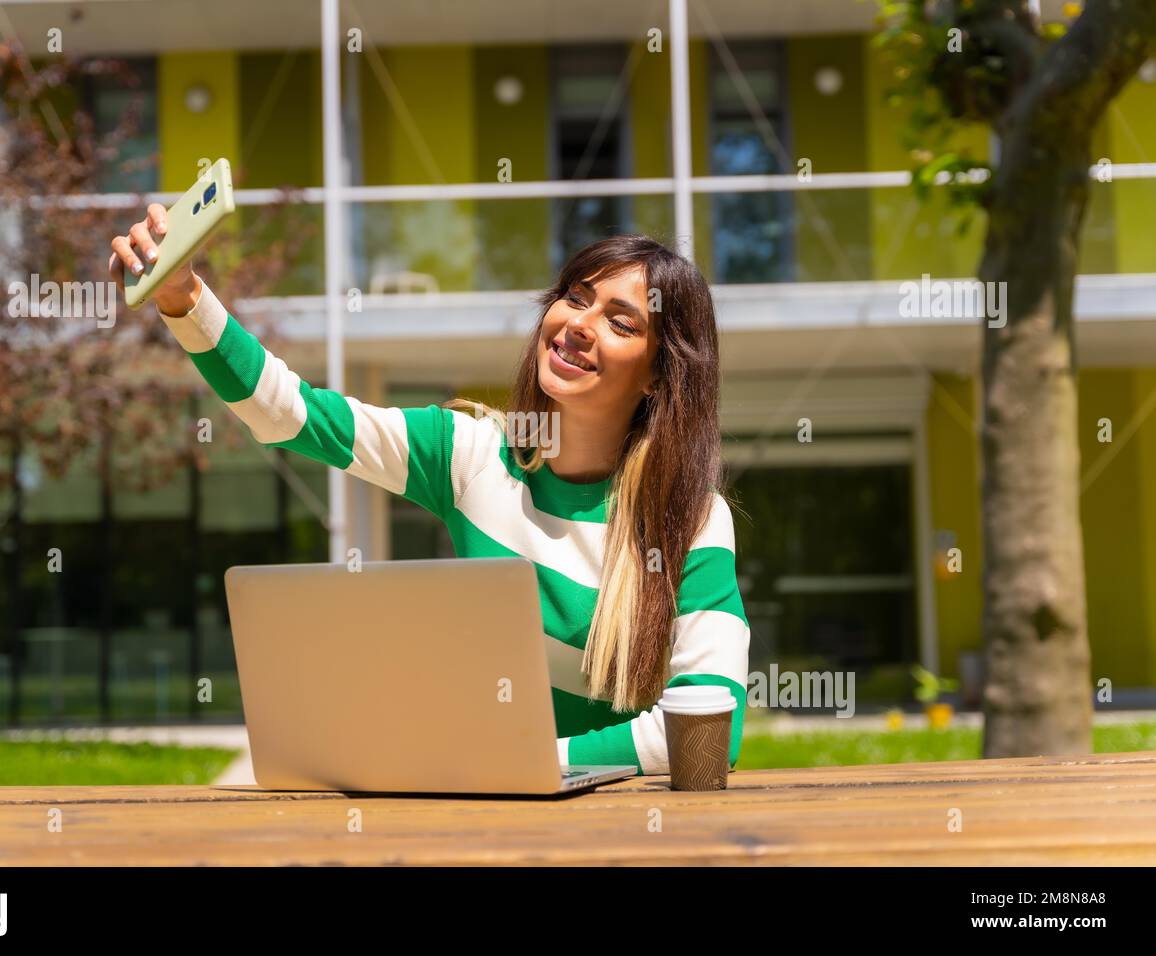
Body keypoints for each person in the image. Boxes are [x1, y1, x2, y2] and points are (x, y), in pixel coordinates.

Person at [109, 207, 749, 774]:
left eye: (620, 322)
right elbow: (288, 414)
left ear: (658, 381)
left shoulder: (688, 518)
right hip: (475, 813)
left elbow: (707, 735)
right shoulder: (469, 453)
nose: (579, 324)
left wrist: (526, 763)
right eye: (576, 298)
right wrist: (183, 296)